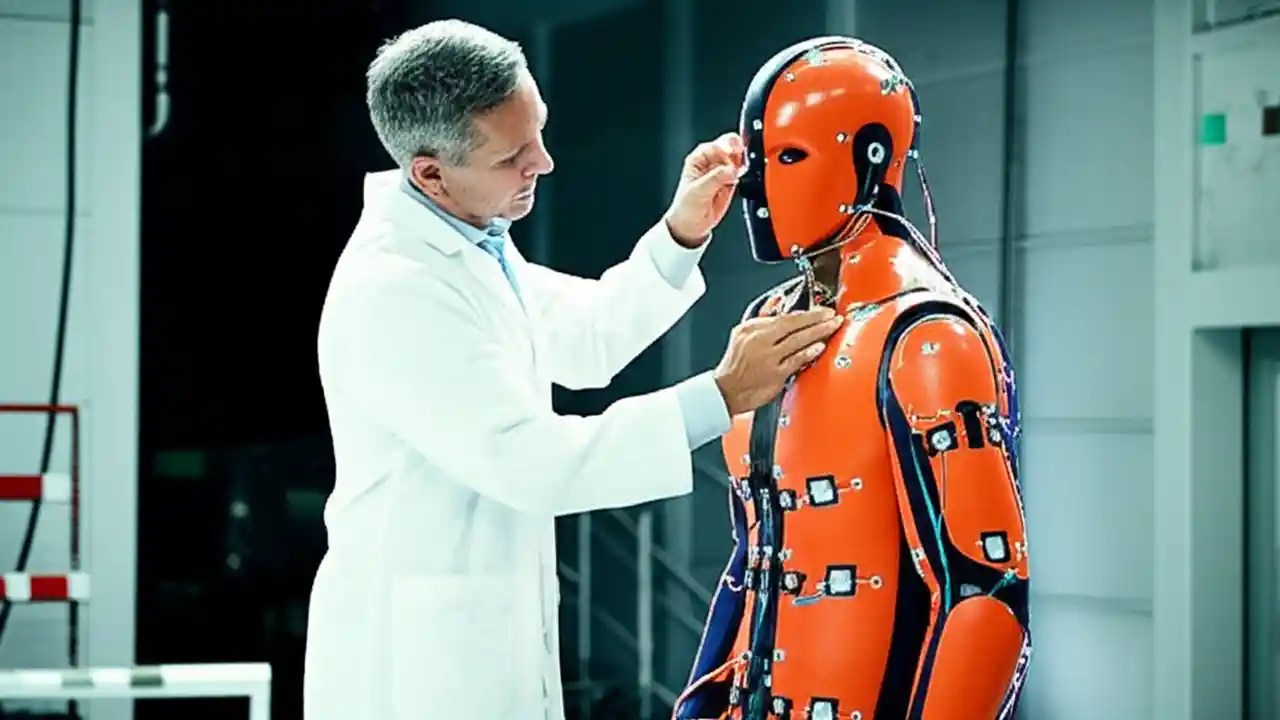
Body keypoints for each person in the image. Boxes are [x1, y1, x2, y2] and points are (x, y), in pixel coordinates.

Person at [302, 19, 845, 720]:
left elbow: (587, 337)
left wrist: (684, 231)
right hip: (413, 669)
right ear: (430, 172)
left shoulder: (472, 245)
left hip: (474, 643)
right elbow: (534, 463)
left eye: (539, 132)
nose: (545, 162)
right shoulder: (399, 288)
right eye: (513, 155)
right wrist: (724, 394)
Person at [672, 37, 1032, 720]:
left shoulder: (928, 336)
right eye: (758, 162)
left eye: (788, 157)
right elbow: (752, 557)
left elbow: (986, 594)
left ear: (870, 157)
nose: (757, 187)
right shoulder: (767, 320)